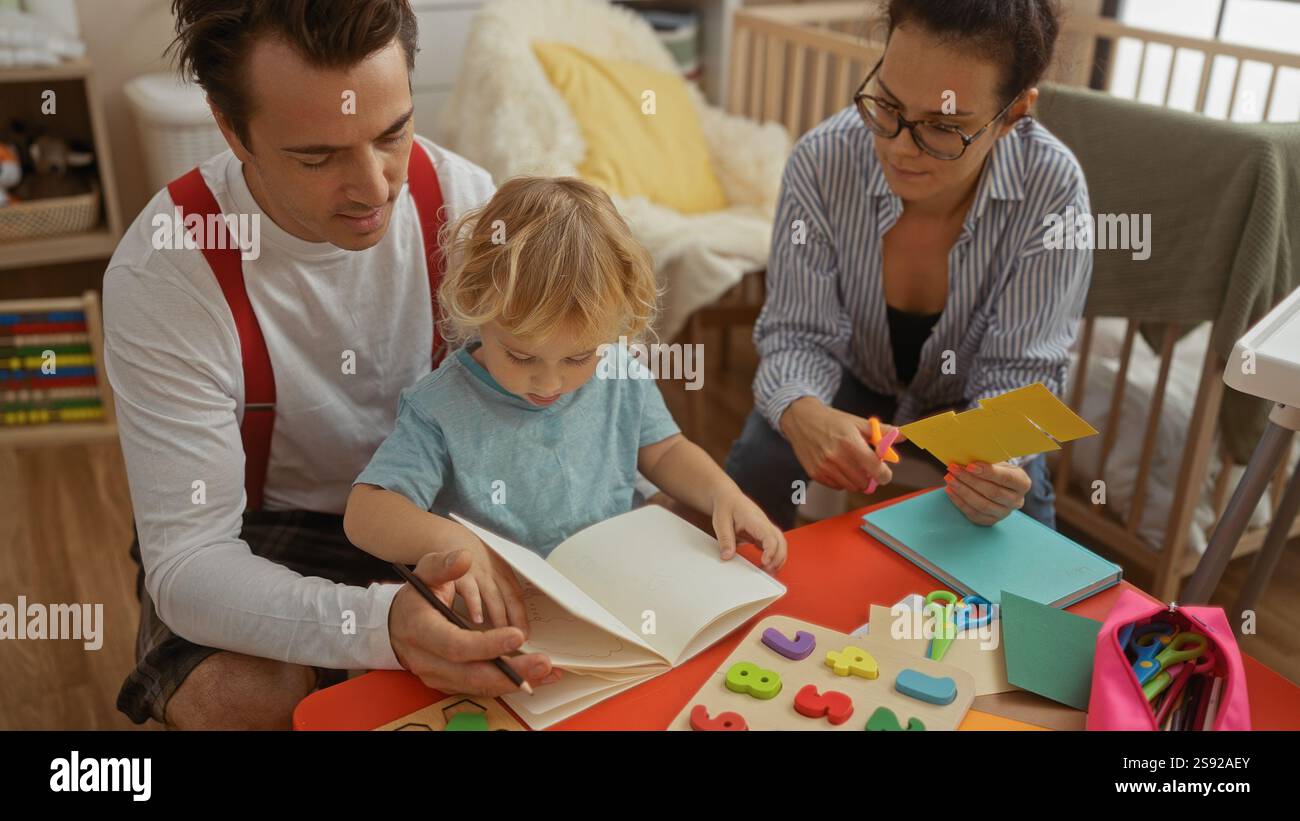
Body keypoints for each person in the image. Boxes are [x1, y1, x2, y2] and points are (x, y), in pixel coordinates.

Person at [107, 0, 555, 729]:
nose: (375, 187)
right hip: (268, 526)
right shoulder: (165, 269)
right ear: (230, 128)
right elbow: (189, 563)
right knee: (235, 697)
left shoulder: (470, 207)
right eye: (317, 156)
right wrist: (380, 626)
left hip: (438, 514)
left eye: (393, 133)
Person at [344, 176, 787, 630]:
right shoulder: (440, 406)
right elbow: (365, 513)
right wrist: (449, 539)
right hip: (504, 610)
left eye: (579, 356)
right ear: (475, 304)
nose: (550, 382)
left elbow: (666, 451)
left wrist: (723, 494)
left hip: (613, 589)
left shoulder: (619, 372)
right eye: (520, 355)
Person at [726, 0, 1091, 530]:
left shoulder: (1052, 189)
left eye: (944, 127)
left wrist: (998, 463)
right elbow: (798, 332)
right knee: (762, 458)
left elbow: (1021, 371)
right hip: (850, 375)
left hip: (977, 406)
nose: (899, 147)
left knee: (1019, 541)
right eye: (889, 106)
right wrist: (802, 412)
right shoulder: (822, 161)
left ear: (1013, 113)